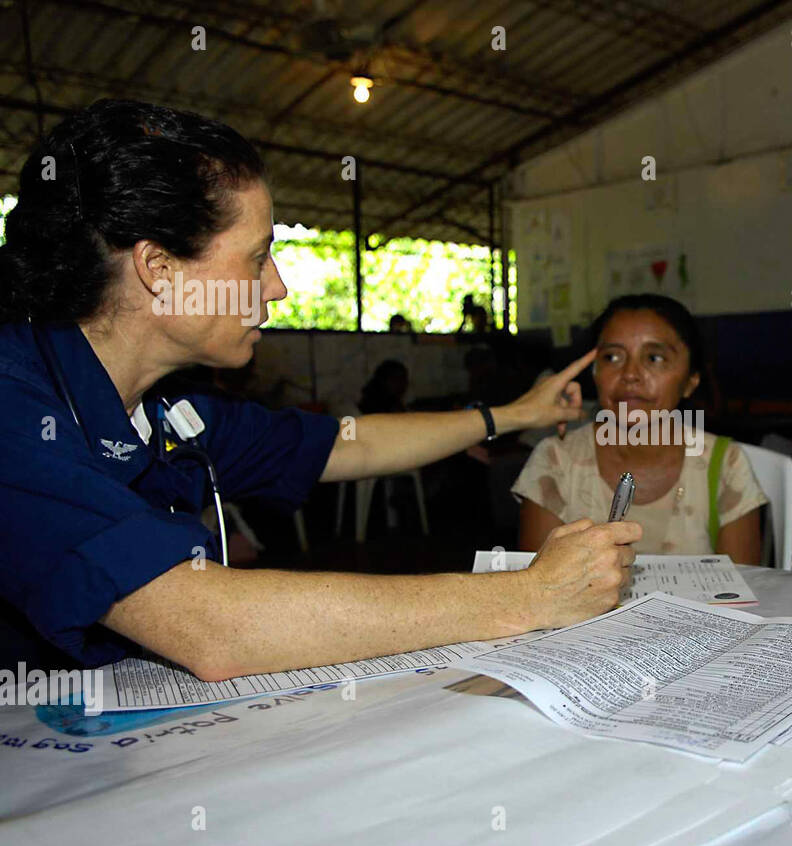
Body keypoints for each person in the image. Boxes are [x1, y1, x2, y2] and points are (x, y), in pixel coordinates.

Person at [0, 99, 639, 680]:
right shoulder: (16, 411)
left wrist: (512, 412)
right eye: (258, 258)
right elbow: (208, 626)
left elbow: (348, 446)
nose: (277, 287)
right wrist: (528, 596)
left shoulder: (177, 409)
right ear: (159, 269)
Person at [514, 294, 767, 563]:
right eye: (612, 357)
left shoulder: (726, 464)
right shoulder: (555, 461)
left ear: (691, 381)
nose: (631, 374)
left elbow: (740, 592)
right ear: (594, 372)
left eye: (655, 358)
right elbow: (538, 591)